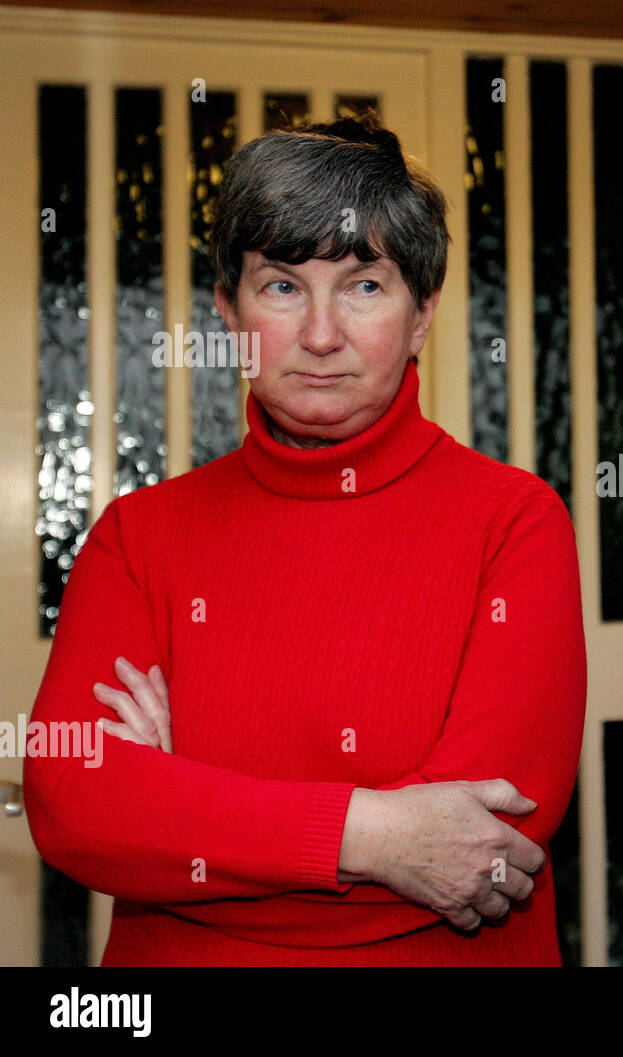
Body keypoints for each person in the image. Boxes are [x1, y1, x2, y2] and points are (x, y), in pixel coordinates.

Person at [24, 116, 586, 966]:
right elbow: (72, 802)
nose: (320, 334)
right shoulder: (138, 539)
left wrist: (182, 810)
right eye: (282, 286)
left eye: (364, 285)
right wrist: (375, 835)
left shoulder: (515, 523)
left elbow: (480, 850)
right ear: (228, 308)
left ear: (424, 310)